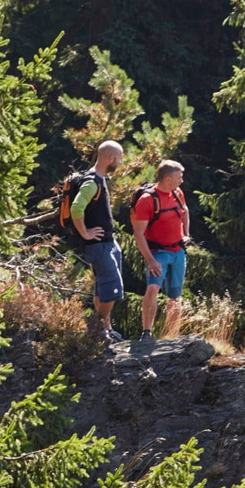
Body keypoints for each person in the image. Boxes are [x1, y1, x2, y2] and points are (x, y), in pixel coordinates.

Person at [69, 140, 125, 343]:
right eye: (119, 158)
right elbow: (76, 209)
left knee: (102, 288)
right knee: (112, 287)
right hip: (98, 245)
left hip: (107, 243)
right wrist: (85, 233)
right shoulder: (92, 182)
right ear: (111, 158)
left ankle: (105, 328)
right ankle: (97, 329)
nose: (119, 162)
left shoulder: (99, 179)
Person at [131, 159, 189, 342]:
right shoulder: (147, 200)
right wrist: (151, 260)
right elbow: (138, 233)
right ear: (167, 179)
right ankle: (146, 333)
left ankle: (173, 336)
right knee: (152, 288)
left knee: (175, 296)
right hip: (158, 253)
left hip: (178, 252)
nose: (182, 180)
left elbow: (185, 211)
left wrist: (186, 233)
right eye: (179, 177)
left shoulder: (178, 193)